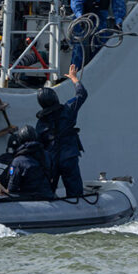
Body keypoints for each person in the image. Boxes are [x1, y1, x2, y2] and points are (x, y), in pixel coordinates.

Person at [36, 64, 88, 198]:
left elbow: (38, 145)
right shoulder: (67, 110)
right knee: (75, 192)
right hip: (69, 156)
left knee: (49, 191)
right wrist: (74, 78)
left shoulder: (41, 123)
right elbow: (82, 94)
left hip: (52, 159)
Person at [6, 125, 55, 200]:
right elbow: (52, 177)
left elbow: (12, 187)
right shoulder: (47, 155)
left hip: (29, 199)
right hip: (47, 195)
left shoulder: (18, 161)